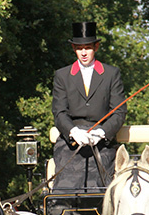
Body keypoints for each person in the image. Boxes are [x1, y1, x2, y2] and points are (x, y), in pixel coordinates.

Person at [51, 22, 126, 189]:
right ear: (73, 48)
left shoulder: (111, 74)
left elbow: (119, 111)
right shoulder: (62, 75)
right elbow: (59, 112)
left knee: (99, 188)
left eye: (88, 48)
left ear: (96, 47)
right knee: (66, 188)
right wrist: (73, 131)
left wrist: (102, 132)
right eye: (79, 48)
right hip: (71, 142)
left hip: (101, 142)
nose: (83, 53)